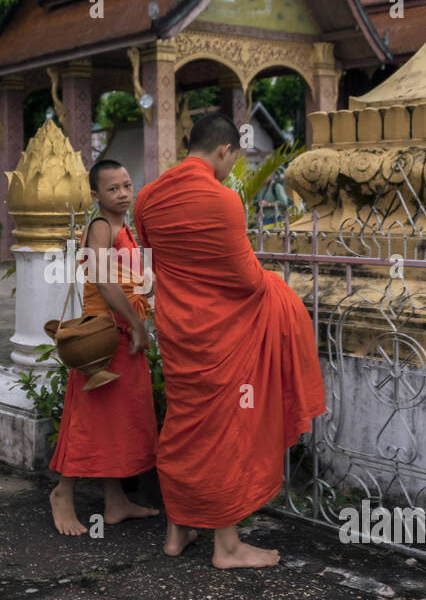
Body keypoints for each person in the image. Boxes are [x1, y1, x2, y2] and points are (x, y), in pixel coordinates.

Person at [134, 115, 325, 568]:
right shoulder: (222, 200)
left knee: (183, 426)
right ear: (223, 150)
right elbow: (245, 278)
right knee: (223, 433)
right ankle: (227, 545)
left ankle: (176, 532)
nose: (230, 166)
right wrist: (276, 285)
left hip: (178, 331)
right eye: (233, 157)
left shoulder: (147, 198)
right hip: (221, 334)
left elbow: (156, 259)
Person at [48, 160, 161, 536]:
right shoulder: (100, 227)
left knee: (118, 416)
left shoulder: (123, 228)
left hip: (123, 333)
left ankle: (116, 502)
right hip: (105, 338)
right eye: (113, 189)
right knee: (92, 417)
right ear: (96, 196)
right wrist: (135, 323)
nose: (123, 194)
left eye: (127, 185)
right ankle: (63, 494)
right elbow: (102, 279)